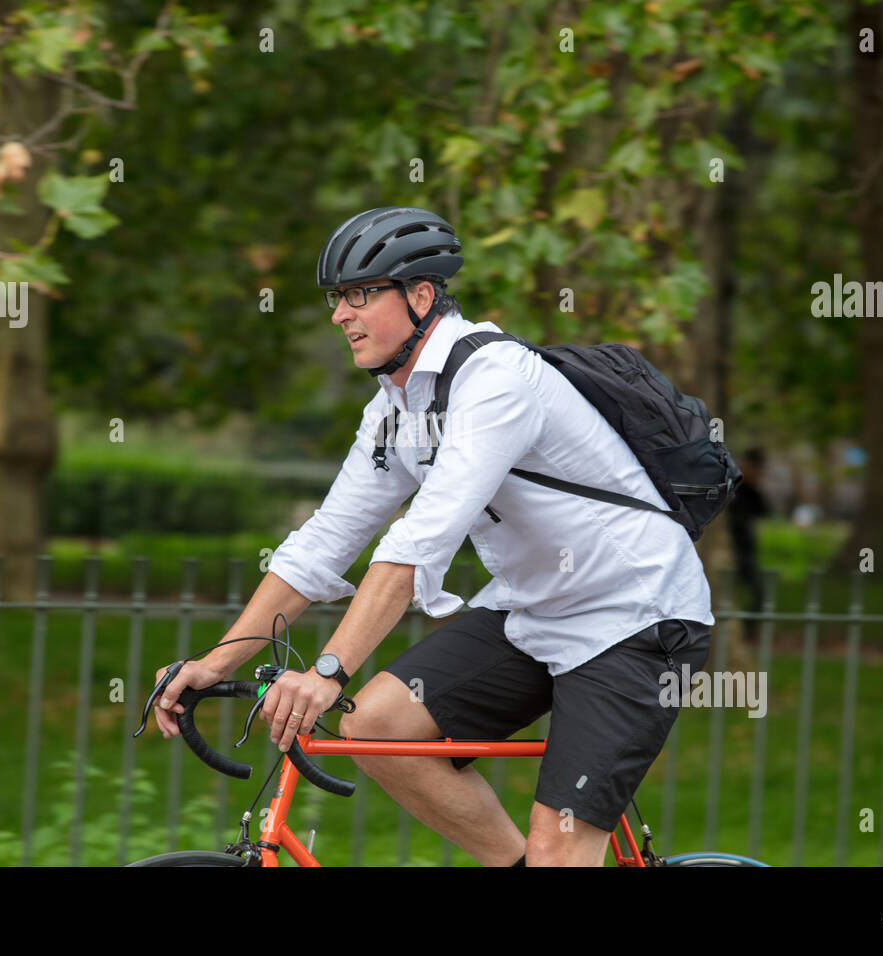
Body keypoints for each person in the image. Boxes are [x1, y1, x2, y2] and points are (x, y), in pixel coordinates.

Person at [152, 206, 714, 867]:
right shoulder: (395, 408)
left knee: (563, 846)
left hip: (635, 617)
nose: (341, 315)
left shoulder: (498, 379)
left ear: (421, 296)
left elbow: (420, 539)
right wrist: (215, 663)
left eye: (361, 295)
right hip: (531, 610)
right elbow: (325, 540)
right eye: (337, 299)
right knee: (379, 726)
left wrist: (330, 669)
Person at [727, 448, 771, 642]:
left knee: (759, 593)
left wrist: (755, 486)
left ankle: (746, 632)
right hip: (731, 548)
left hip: (745, 549)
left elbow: (764, 511)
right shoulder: (732, 487)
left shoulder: (751, 491)